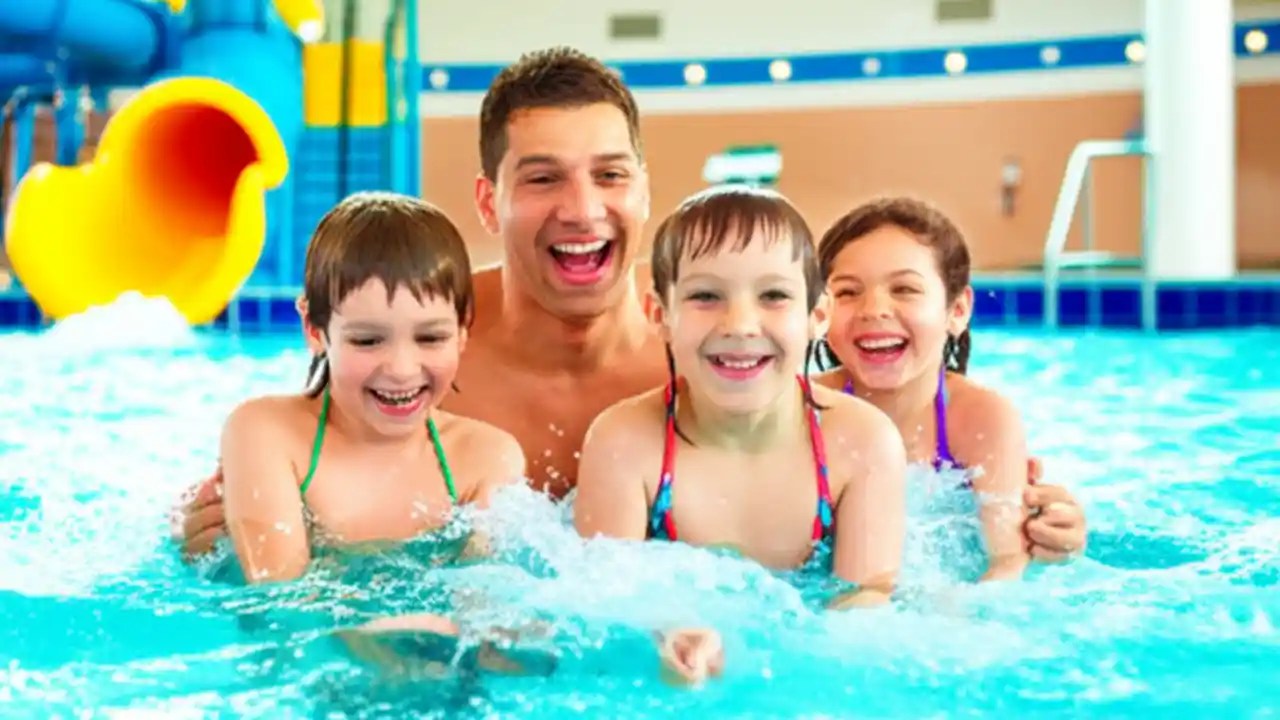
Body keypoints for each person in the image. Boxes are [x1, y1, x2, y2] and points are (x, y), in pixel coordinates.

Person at [175, 46, 1086, 565]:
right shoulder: (417, 358)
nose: (582, 209)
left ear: (644, 191)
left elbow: (903, 438)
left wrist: (1031, 518)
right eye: (543, 180)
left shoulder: (731, 360)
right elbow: (297, 477)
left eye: (609, 175)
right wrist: (213, 527)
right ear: (489, 202)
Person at [573, 185, 909, 683]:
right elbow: (603, 604)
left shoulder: (860, 442)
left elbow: (864, 602)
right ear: (660, 315)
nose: (741, 324)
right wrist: (666, 631)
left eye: (773, 295)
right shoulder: (626, 442)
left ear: (817, 315)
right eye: (705, 296)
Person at [218, 191, 525, 585]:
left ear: (463, 330)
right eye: (367, 341)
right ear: (314, 329)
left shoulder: (485, 459)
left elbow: (485, 608)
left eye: (430, 338)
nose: (401, 369)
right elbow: (278, 601)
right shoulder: (266, 433)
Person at [814, 196, 1033, 580]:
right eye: (848, 292)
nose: (873, 309)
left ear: (957, 310)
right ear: (820, 312)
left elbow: (1007, 561)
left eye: (904, 290)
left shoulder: (979, 419)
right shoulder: (807, 409)